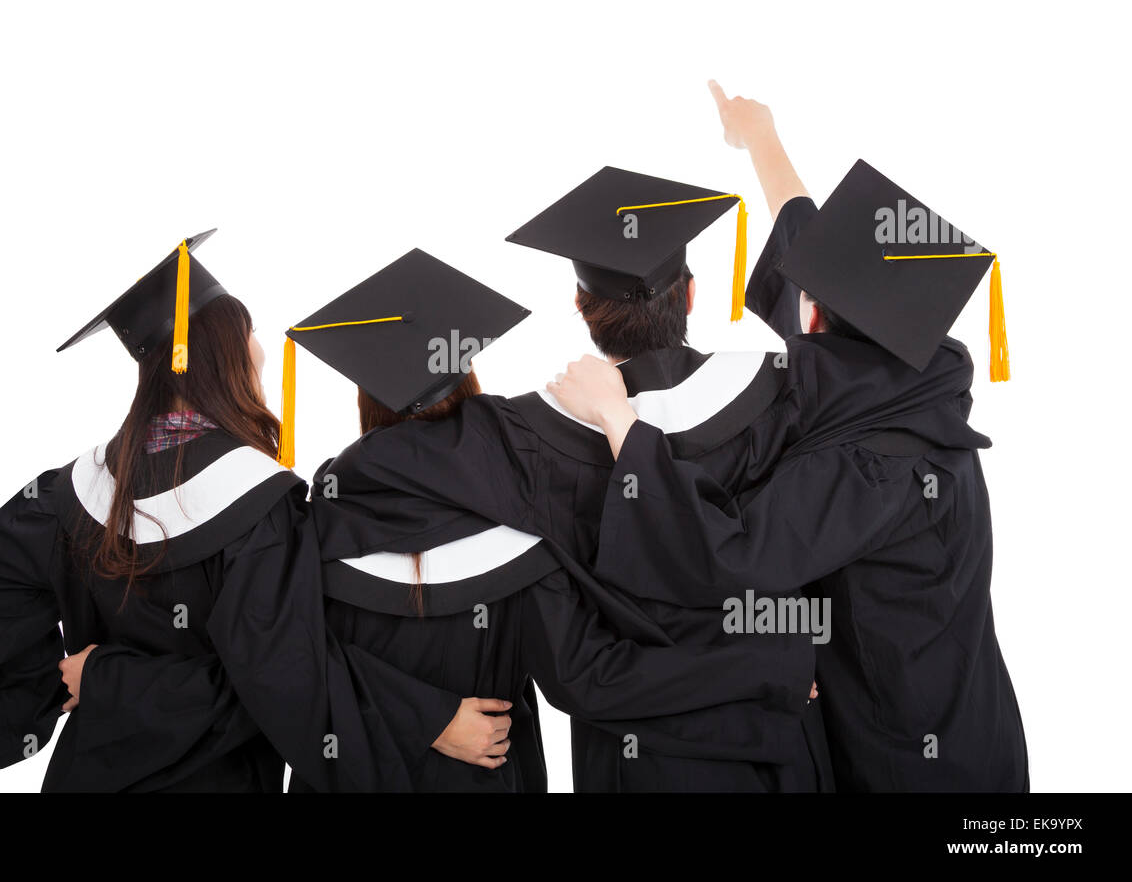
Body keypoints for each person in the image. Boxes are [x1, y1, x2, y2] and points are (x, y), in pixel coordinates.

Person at [546, 82, 1028, 791]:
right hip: (979, 715)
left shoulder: (867, 466)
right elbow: (815, 253)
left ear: (813, 317)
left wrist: (622, 424)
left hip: (911, 756)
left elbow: (730, 559)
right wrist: (760, 137)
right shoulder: (916, 375)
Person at [217, 248, 817, 791]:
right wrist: (766, 667)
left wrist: (422, 717)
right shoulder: (528, 522)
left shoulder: (299, 523)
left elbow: (285, 667)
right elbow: (594, 677)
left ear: (363, 393)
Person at [0, 232, 510, 791]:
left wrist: (70, 684)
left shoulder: (74, 491)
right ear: (225, 354)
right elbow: (283, 678)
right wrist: (424, 719)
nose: (258, 347)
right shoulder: (258, 505)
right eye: (249, 331)